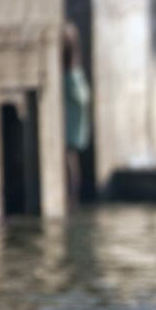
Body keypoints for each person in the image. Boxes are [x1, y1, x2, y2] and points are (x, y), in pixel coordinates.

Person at [63, 22, 91, 207]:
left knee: (71, 160)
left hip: (72, 122)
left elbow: (83, 96)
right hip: (70, 120)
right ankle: (72, 197)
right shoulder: (72, 71)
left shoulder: (74, 72)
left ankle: (73, 198)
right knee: (70, 160)